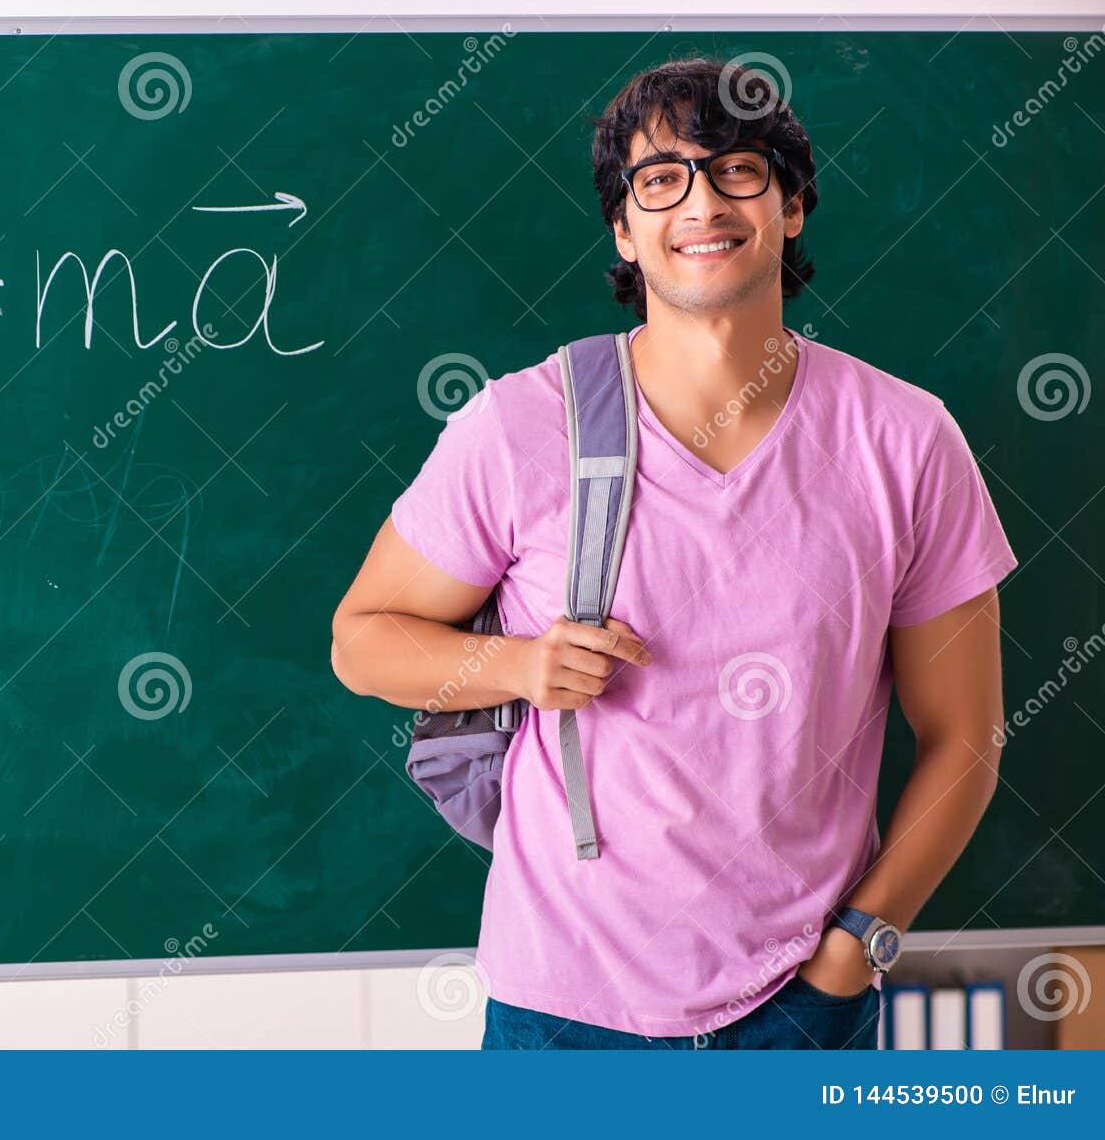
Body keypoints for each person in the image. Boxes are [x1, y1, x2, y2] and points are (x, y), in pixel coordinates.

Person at [329, 56, 1018, 1049]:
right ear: (623, 227)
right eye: (660, 179)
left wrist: (854, 948)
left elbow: (962, 740)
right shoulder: (521, 426)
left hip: (804, 1005)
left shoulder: (905, 442)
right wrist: (519, 664)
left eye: (737, 168)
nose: (700, 200)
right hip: (561, 1012)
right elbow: (363, 641)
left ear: (790, 208)